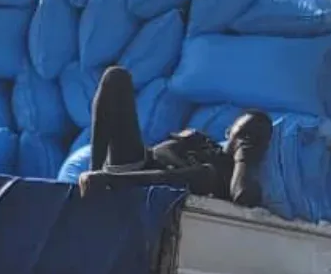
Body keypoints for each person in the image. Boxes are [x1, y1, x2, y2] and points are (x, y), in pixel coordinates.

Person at [79, 65, 273, 208]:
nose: (247, 137)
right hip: (137, 163)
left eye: (255, 137)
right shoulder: (203, 142)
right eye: (244, 131)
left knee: (206, 174)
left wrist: (244, 156)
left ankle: (105, 181)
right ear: (229, 131)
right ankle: (93, 176)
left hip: (143, 185)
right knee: (116, 76)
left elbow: (243, 196)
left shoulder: (230, 172)